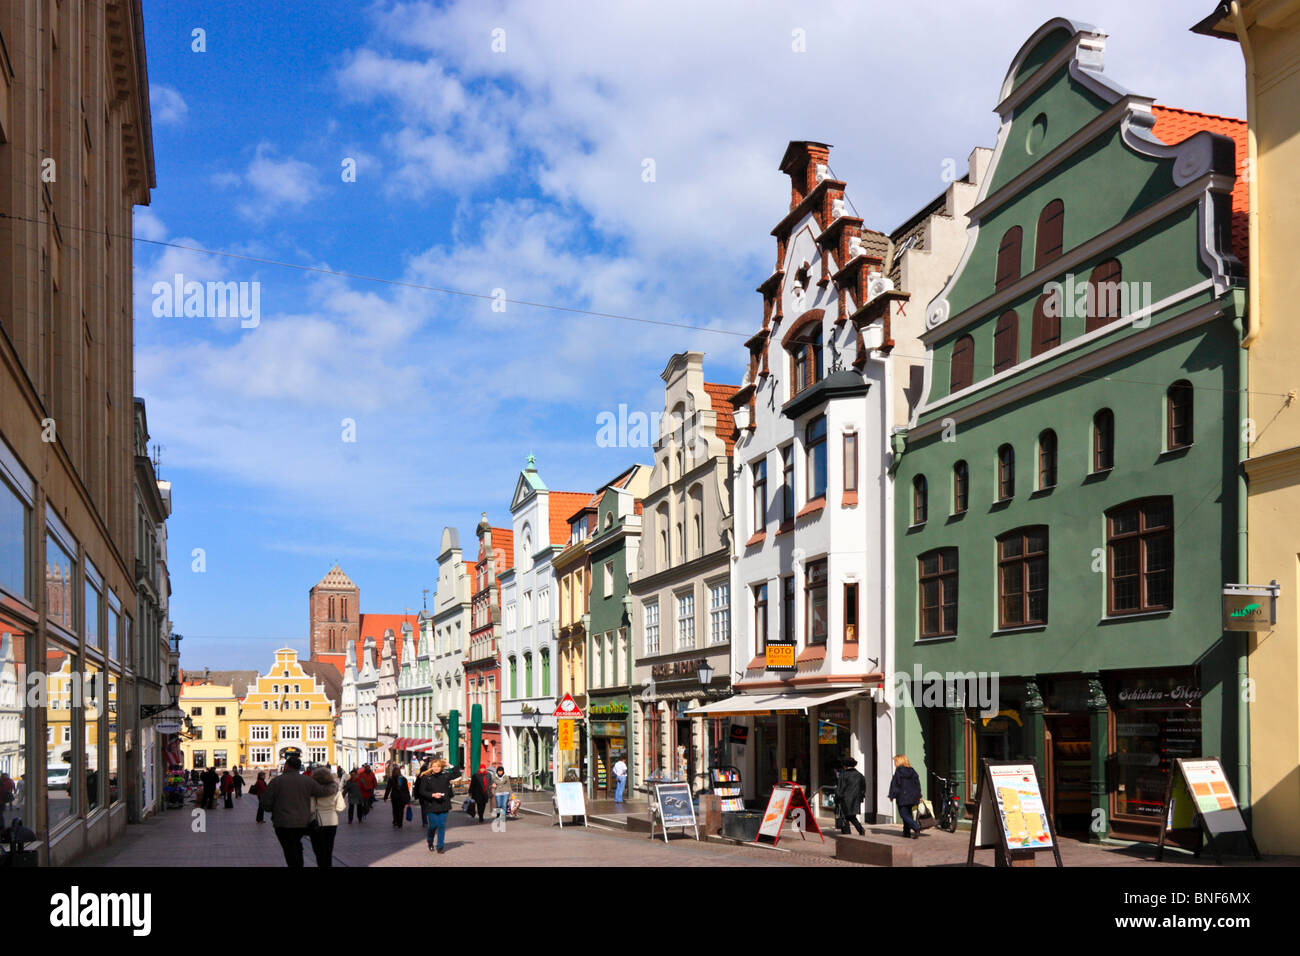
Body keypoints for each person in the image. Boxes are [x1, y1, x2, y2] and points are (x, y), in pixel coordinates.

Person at [259, 753, 339, 867]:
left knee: (290, 851)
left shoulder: (276, 781)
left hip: (282, 823)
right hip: (302, 823)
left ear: (286, 766)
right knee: (296, 848)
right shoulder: (307, 781)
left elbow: (265, 803)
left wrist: (276, 810)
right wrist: (333, 785)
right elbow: (322, 792)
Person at [415, 758, 458, 853]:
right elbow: (422, 791)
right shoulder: (426, 777)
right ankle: (430, 840)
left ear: (441, 767)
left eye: (438, 766)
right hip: (431, 804)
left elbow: (457, 773)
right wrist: (433, 795)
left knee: (441, 825)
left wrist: (448, 764)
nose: (436, 768)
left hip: (444, 803)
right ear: (431, 767)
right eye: (434, 766)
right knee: (433, 825)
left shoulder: (445, 775)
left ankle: (440, 847)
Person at [308, 766, 347, 867]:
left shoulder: (313, 792)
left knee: (318, 850)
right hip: (332, 821)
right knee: (329, 849)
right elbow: (340, 807)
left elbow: (311, 809)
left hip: (317, 821)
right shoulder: (336, 791)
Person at [887, 754, 923, 840]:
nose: (895, 763)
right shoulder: (912, 771)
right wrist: (919, 795)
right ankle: (906, 833)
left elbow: (895, 785)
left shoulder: (898, 772)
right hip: (913, 797)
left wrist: (892, 795)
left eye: (895, 761)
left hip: (902, 796)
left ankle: (916, 827)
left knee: (904, 815)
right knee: (908, 815)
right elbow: (917, 784)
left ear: (899, 761)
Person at [835, 757, 867, 836]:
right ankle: (860, 829)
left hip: (844, 799)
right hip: (855, 800)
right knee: (851, 816)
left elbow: (839, 788)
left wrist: (837, 799)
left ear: (845, 765)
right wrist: (861, 798)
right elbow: (863, 788)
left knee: (845, 817)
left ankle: (847, 835)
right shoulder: (860, 775)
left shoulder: (843, 775)